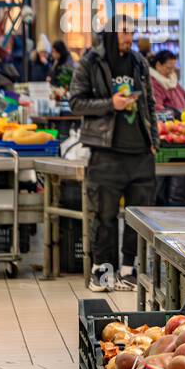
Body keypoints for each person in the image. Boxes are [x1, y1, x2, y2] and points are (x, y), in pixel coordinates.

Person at [70, 26, 158, 292]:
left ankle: (129, 270)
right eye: (122, 33)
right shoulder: (91, 62)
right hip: (105, 152)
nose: (128, 38)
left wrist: (154, 141)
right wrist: (111, 104)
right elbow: (75, 102)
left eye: (130, 32)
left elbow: (150, 103)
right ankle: (102, 271)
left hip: (140, 153)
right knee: (104, 216)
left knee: (137, 216)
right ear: (109, 35)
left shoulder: (138, 61)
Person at [149, 50, 185, 207]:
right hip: (168, 134)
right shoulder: (154, 83)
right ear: (158, 65)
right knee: (168, 188)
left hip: (183, 132)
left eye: (173, 68)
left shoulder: (172, 81)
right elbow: (157, 109)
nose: (171, 71)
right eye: (168, 68)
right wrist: (178, 114)